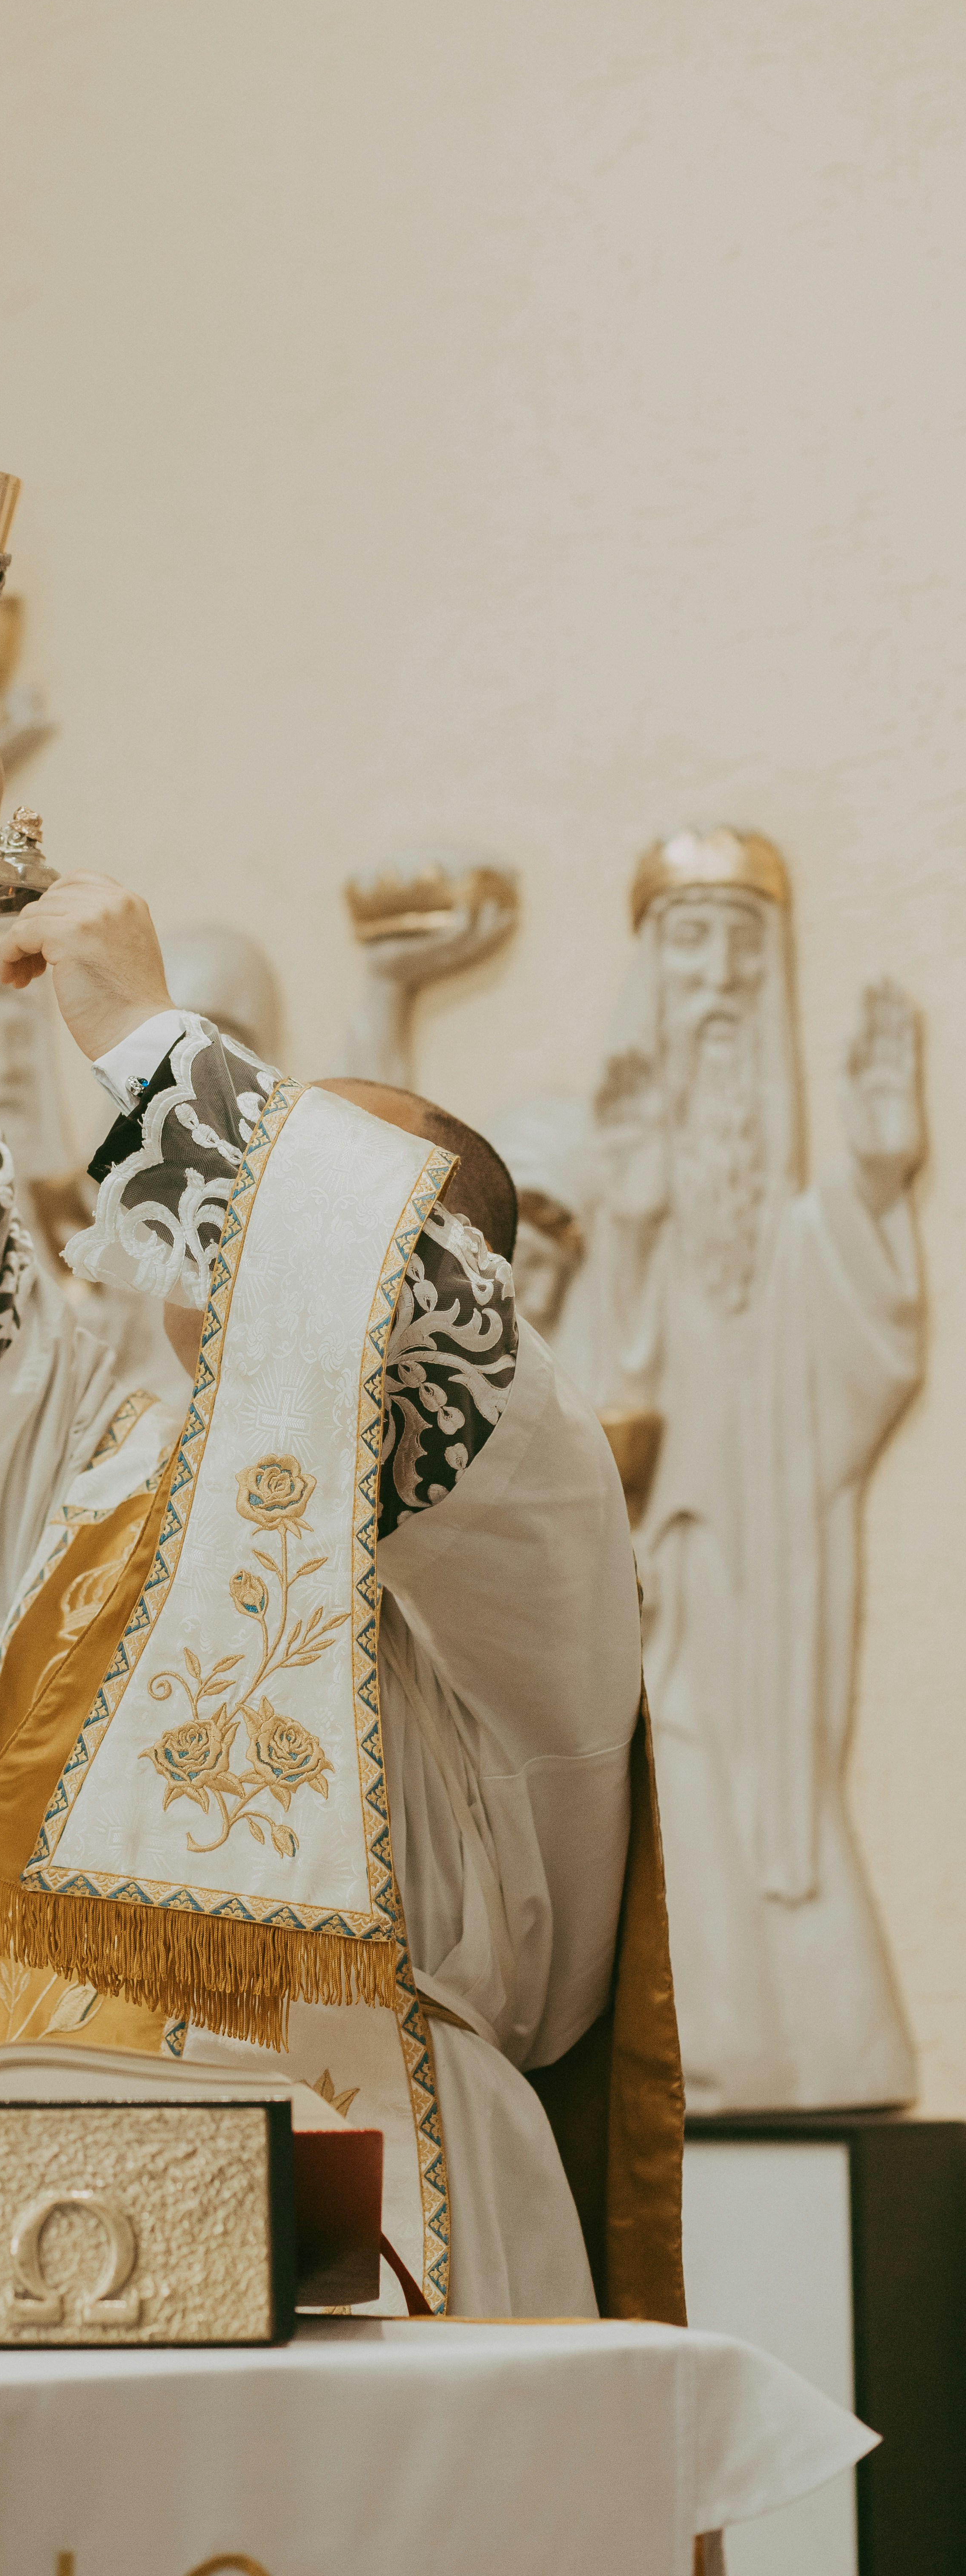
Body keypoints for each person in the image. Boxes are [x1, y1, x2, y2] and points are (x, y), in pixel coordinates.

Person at [0, 619, 679, 2320]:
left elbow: (409, 1323)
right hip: (15, 2176)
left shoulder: (515, 1493)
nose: (211, 1201)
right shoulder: (98, 1463)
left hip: (371, 2168)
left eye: (294, 1171)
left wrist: (140, 1032)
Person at [588, 829, 923, 2113]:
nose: (720, 979)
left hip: (769, 1565)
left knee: (771, 1794)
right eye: (691, 944)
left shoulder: (791, 1237)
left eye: (743, 947)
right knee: (682, 1784)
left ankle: (812, 2049)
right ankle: (726, 2050)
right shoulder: (627, 1202)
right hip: (668, 1570)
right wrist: (628, 1227)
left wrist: (876, 1180)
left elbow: (867, 1361)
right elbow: (605, 1383)